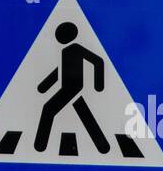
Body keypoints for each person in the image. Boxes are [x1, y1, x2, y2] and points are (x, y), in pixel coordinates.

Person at [33, 21, 110, 154]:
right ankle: (103, 147)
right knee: (84, 113)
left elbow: (98, 61)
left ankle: (39, 146)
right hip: (70, 87)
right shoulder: (66, 51)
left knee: (48, 110)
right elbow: (60, 71)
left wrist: (99, 86)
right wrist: (44, 86)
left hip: (73, 87)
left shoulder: (76, 48)